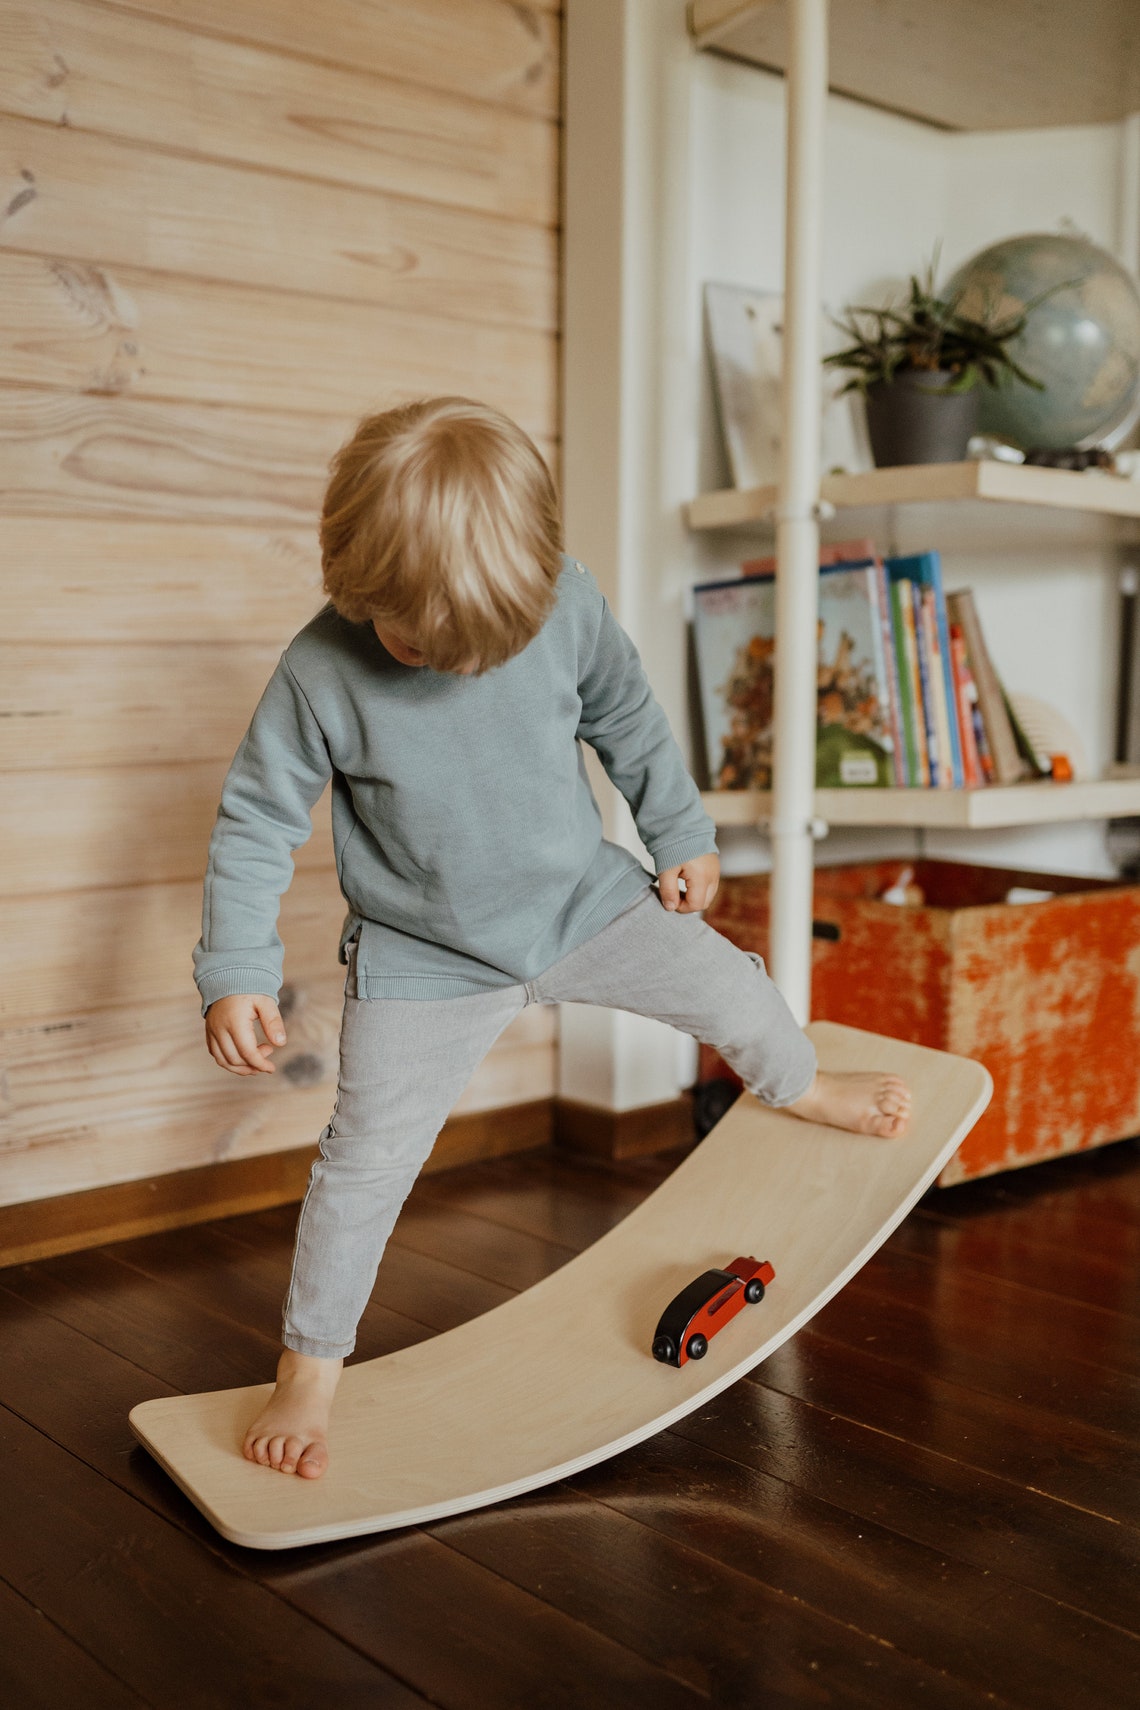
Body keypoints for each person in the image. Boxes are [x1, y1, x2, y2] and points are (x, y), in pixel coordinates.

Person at [196, 397, 911, 1482]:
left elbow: (626, 717)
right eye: (410, 640)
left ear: (531, 588)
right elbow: (256, 816)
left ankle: (799, 1080)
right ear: (353, 576)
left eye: (467, 648)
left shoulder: (568, 604)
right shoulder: (321, 671)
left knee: (735, 994)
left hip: (587, 904)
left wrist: (680, 832)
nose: (432, 661)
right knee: (363, 1164)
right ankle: (310, 1366)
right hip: (423, 956)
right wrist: (236, 969)